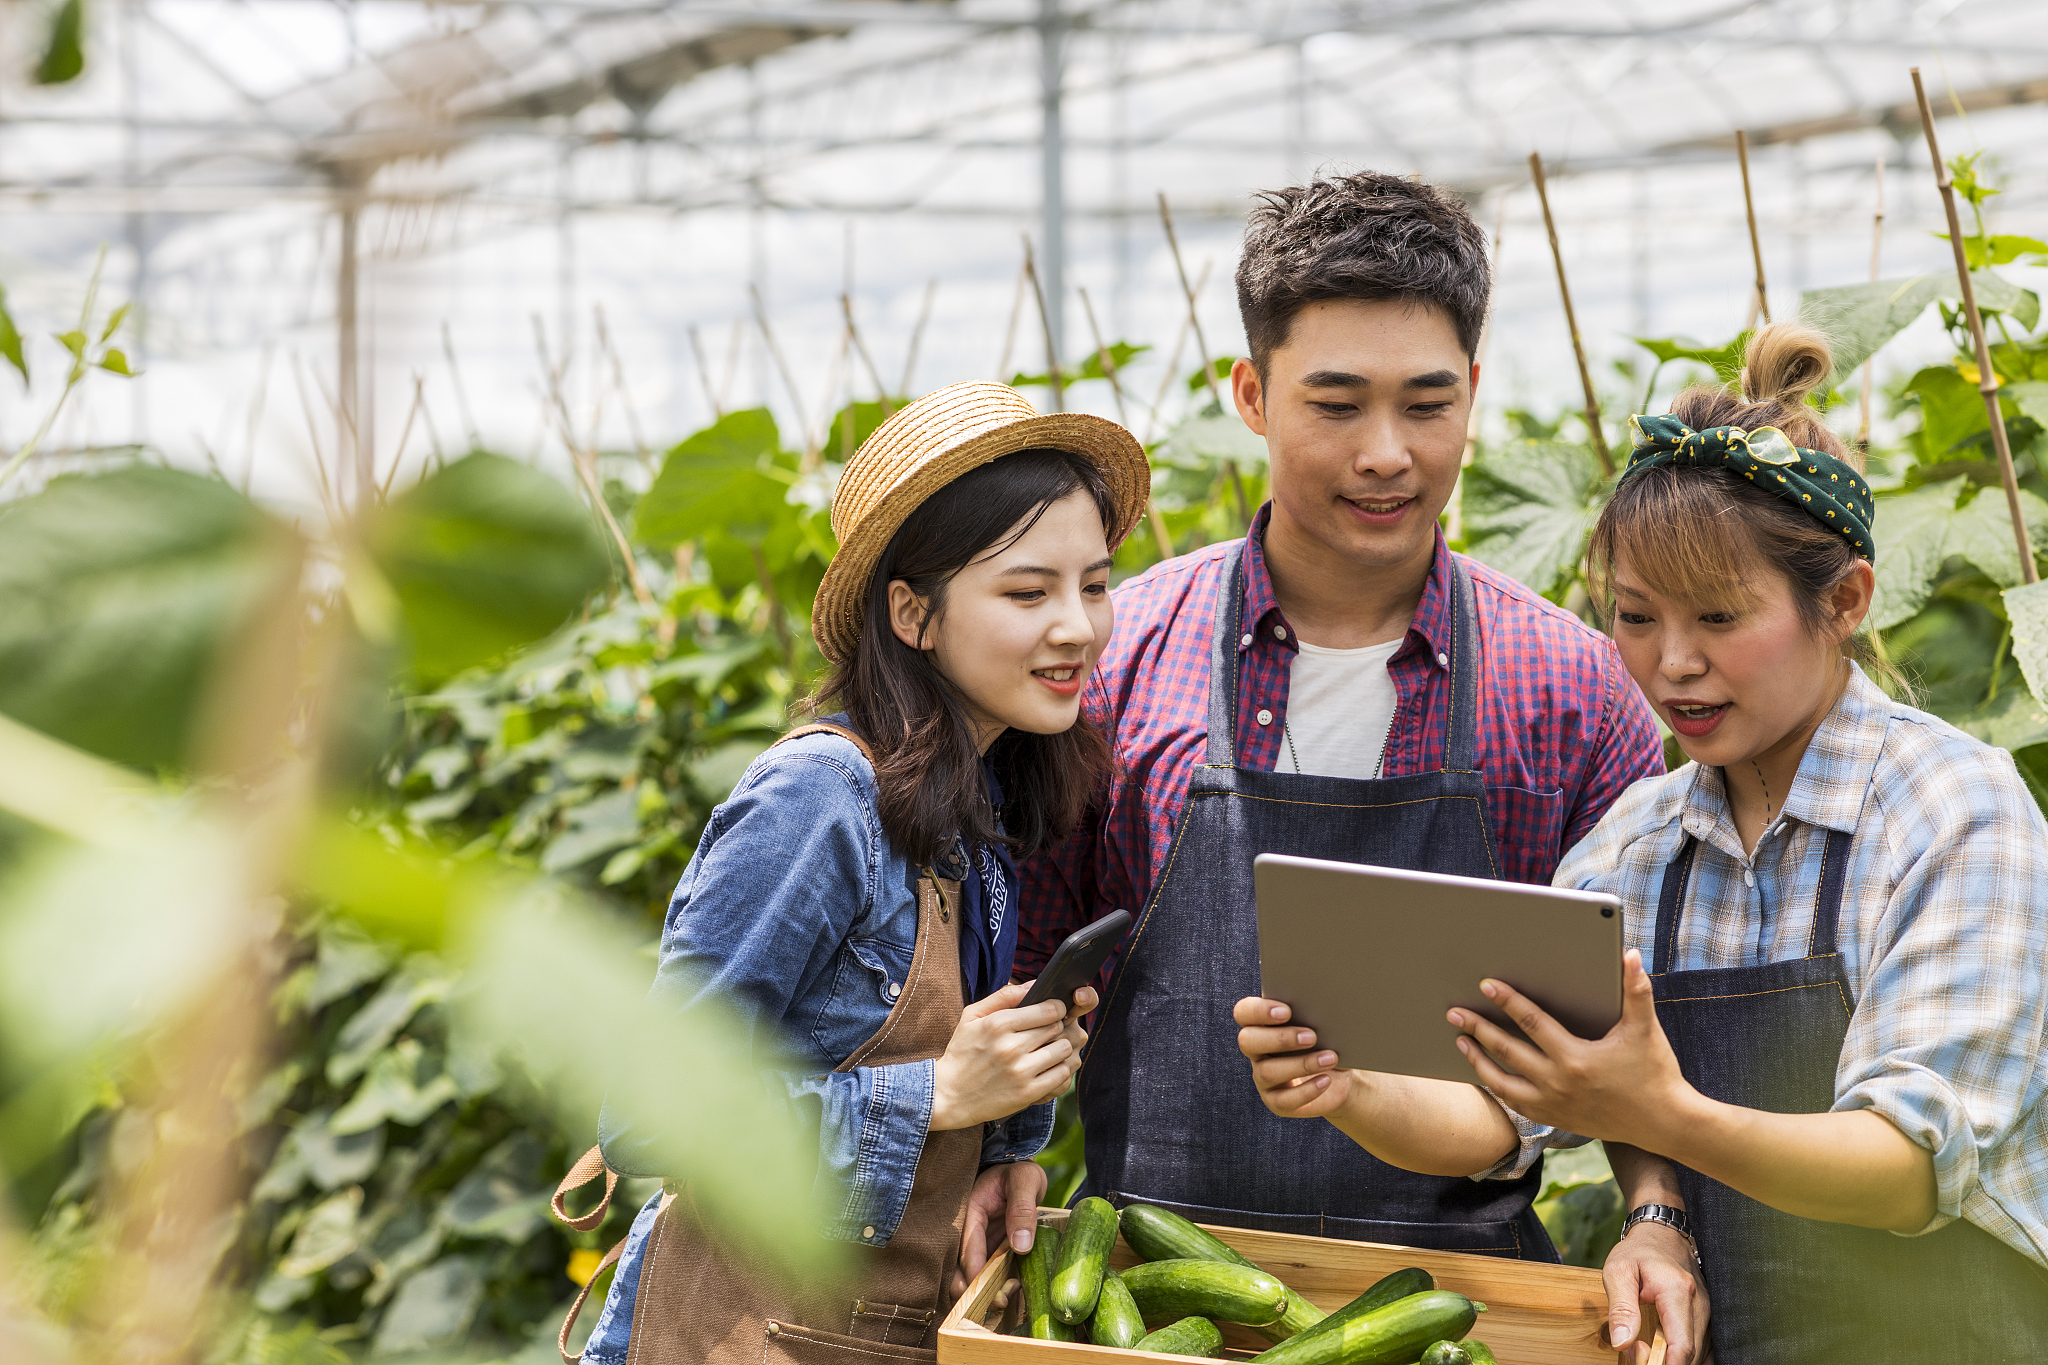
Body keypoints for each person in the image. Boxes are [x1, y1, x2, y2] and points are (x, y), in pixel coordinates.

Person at [1239, 323, 2048, 1364]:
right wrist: (1349, 1090)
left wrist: (1656, 1112)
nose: (1671, 665)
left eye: (1717, 616)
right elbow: (1500, 1112)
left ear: (1841, 602)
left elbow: (1903, 1173)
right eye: (1632, 615)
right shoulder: (1641, 842)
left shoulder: (1949, 812)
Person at [1018, 169, 1692, 1326]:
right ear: (1250, 393)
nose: (1385, 452)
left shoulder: (1570, 691)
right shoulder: (1115, 662)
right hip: (1150, 1299)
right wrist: (1001, 1157)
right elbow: (1027, 962)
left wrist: (1654, 1217)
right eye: (1335, 404)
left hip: (1462, 1306)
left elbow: (1641, 1012)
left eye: (1426, 405)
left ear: (1473, 394)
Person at [552, 382, 1153, 1363]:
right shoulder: (821, 795)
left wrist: (1000, 1151)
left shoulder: (977, 803)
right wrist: (942, 1095)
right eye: (1025, 591)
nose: (1078, 627)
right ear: (912, 613)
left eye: (1093, 583)